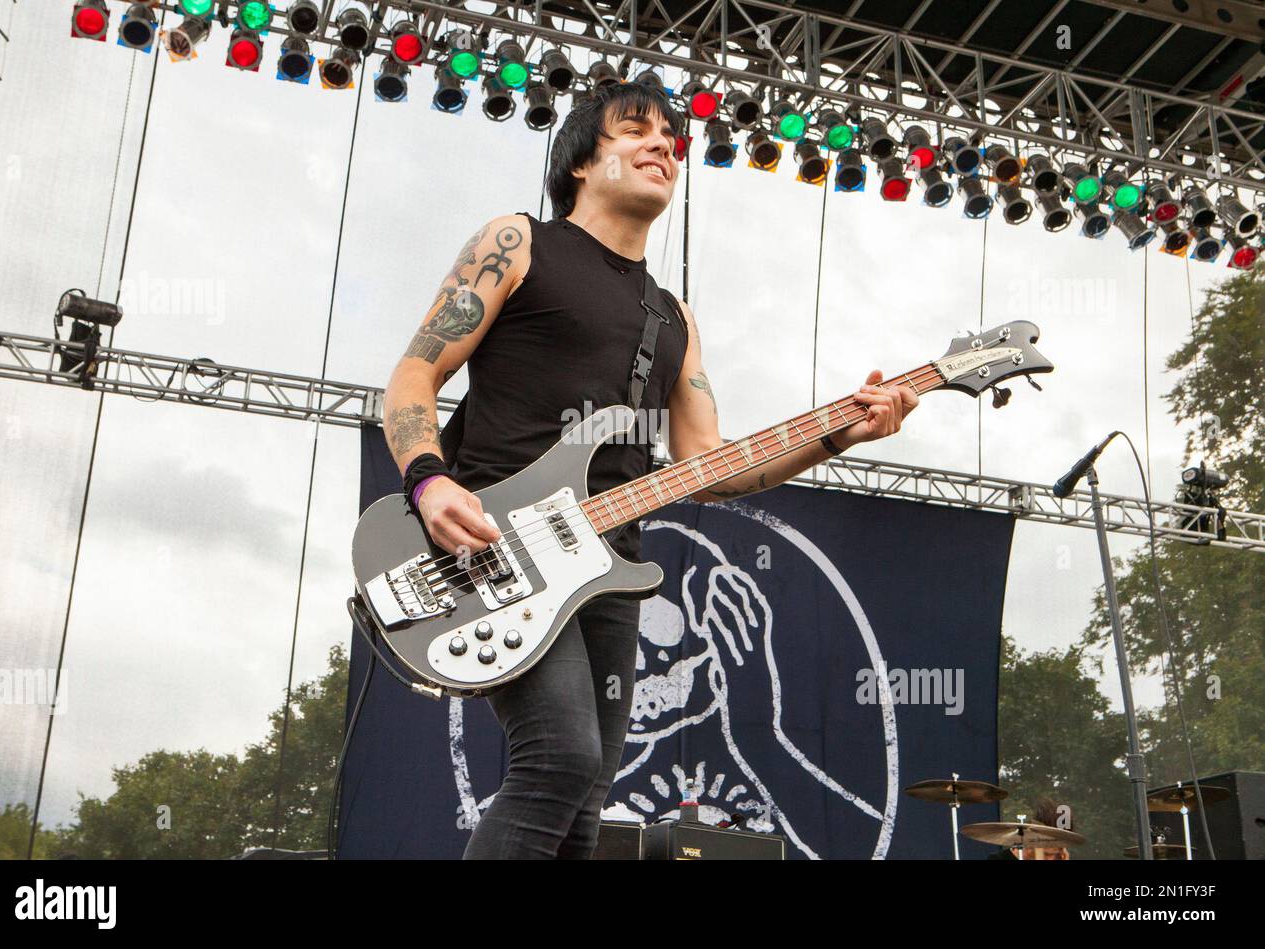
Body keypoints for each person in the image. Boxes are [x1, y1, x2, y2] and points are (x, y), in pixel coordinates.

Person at [380, 81, 918, 859]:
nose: (664, 144)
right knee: (560, 757)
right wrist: (430, 481)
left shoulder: (673, 317)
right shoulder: (516, 243)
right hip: (497, 547)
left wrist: (840, 434)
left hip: (607, 568)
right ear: (579, 162)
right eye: (637, 130)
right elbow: (412, 377)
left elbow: (710, 466)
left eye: (672, 135)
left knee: (586, 800)